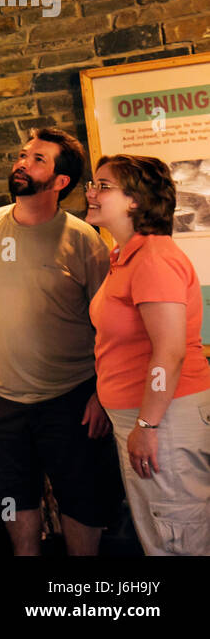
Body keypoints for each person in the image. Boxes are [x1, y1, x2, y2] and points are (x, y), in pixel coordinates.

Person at [0, 126, 120, 555]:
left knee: (82, 498)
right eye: (23, 155)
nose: (22, 163)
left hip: (71, 396)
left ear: (60, 182)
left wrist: (101, 392)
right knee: (11, 498)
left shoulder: (84, 241)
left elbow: (110, 326)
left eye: (38, 159)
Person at [85, 154, 210, 555]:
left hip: (166, 418)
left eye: (104, 186)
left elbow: (169, 353)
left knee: (175, 535)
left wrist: (148, 425)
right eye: (94, 183)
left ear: (135, 201)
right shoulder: (125, 256)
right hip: (147, 415)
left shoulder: (154, 259)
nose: (91, 192)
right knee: (161, 531)